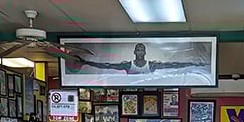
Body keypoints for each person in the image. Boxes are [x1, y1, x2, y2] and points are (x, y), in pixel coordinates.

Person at [70, 43, 205, 76]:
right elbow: (107, 66)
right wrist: (86, 62)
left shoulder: (152, 65)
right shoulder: (128, 65)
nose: (140, 51)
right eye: (138, 49)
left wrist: (193, 63)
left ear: (145, 52)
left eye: (142, 49)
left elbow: (173, 64)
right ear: (134, 52)